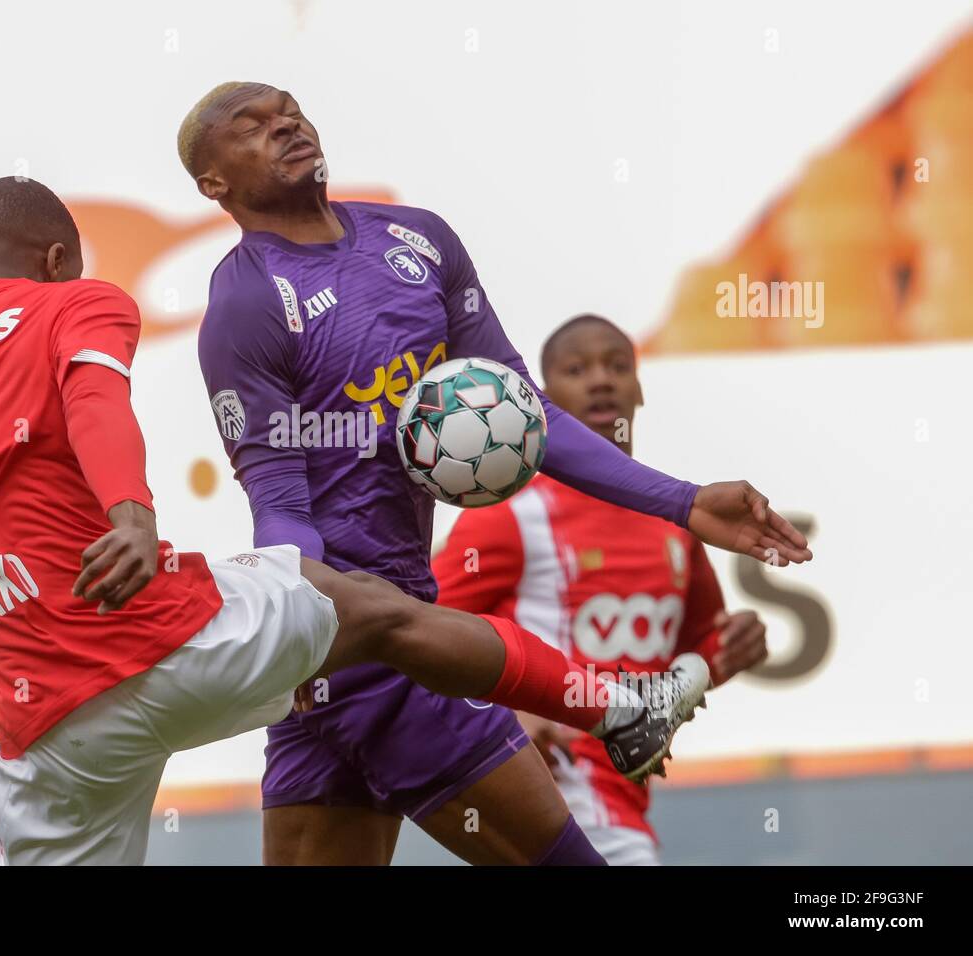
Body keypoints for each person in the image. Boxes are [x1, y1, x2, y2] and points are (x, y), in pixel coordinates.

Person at [0, 177, 720, 865]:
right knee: (375, 608)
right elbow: (97, 403)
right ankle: (615, 704)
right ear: (58, 257)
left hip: (42, 721)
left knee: (344, 645)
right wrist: (132, 515)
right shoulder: (75, 304)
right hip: (148, 636)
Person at [183, 82, 810, 865]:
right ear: (214, 184)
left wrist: (682, 502)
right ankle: (618, 710)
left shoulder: (418, 241)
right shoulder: (247, 302)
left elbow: (528, 414)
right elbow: (278, 507)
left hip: (372, 634)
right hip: (377, 646)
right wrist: (299, 623)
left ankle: (615, 708)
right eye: (252, 128)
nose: (286, 127)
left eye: (290, 112)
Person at [435, 314, 772, 864]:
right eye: (578, 368)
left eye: (617, 366)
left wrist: (732, 650)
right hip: (554, 789)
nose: (601, 380)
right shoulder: (514, 513)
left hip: (625, 793)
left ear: (639, 387)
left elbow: (685, 664)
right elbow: (424, 640)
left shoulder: (673, 525)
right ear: (546, 397)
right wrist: (510, 714)